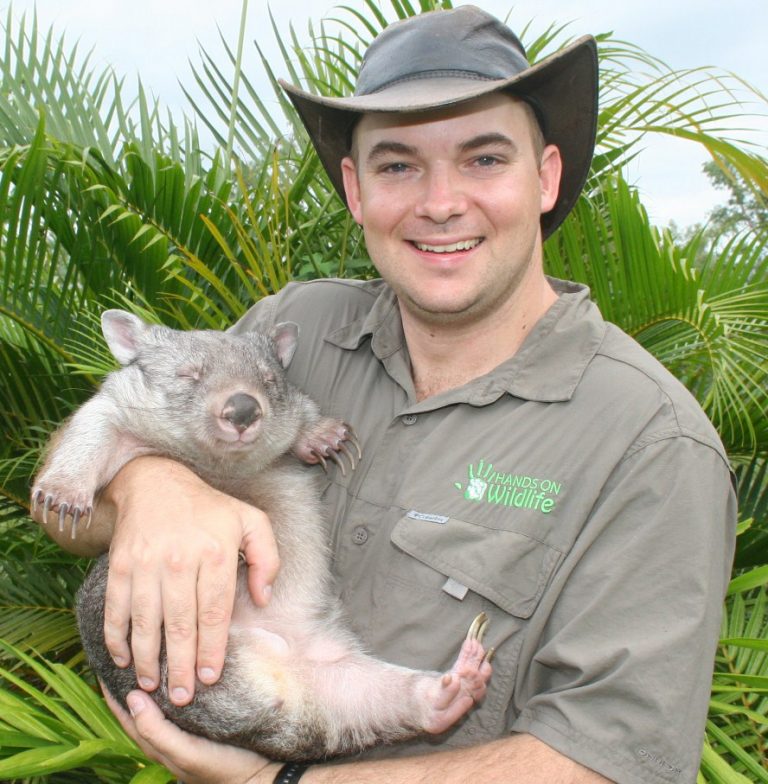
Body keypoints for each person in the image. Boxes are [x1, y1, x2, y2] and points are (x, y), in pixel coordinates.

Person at [37, 6, 737, 783]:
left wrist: (279, 783)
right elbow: (69, 511)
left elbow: (608, 767)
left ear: (545, 177)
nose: (440, 203)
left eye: (482, 159)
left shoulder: (649, 441)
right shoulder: (291, 327)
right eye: (399, 165)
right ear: (355, 188)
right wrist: (150, 485)